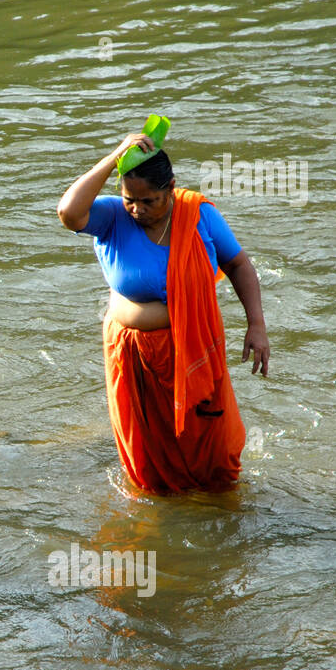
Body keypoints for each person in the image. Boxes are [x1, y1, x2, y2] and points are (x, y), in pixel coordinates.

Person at [57, 129, 270, 494]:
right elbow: (69, 212)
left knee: (210, 442)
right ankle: (159, 502)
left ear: (171, 188)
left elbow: (238, 265)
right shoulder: (112, 217)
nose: (138, 209)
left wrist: (256, 325)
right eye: (130, 199)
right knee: (147, 449)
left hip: (190, 347)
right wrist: (114, 157)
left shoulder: (198, 216)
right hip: (133, 356)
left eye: (150, 200)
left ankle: (215, 503)